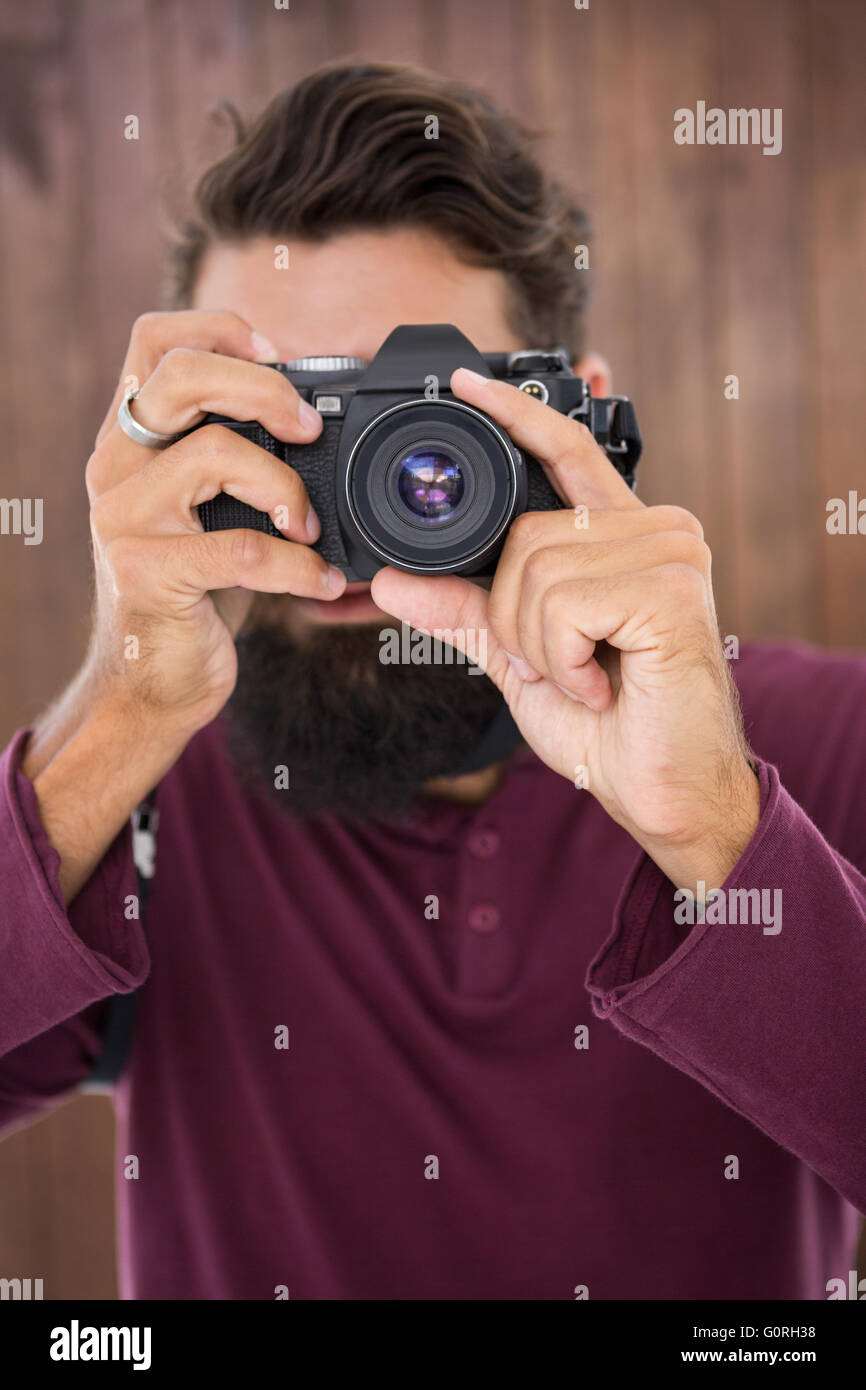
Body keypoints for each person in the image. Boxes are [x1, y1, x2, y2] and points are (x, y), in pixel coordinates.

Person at [1, 60, 864, 1301]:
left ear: (580, 422)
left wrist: (715, 831)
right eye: (290, 419)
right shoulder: (142, 800)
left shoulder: (813, 750)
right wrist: (118, 716)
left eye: (417, 418)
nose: (366, 492)